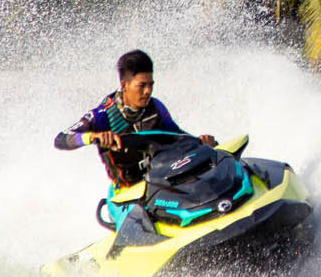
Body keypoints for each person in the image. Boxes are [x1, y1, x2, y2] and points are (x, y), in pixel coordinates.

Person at [56, 49, 216, 186]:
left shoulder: (156, 108)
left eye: (151, 85)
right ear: (124, 85)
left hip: (161, 183)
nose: (148, 91)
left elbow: (177, 136)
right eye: (142, 86)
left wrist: (201, 142)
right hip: (127, 192)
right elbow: (61, 139)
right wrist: (93, 136)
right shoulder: (101, 115)